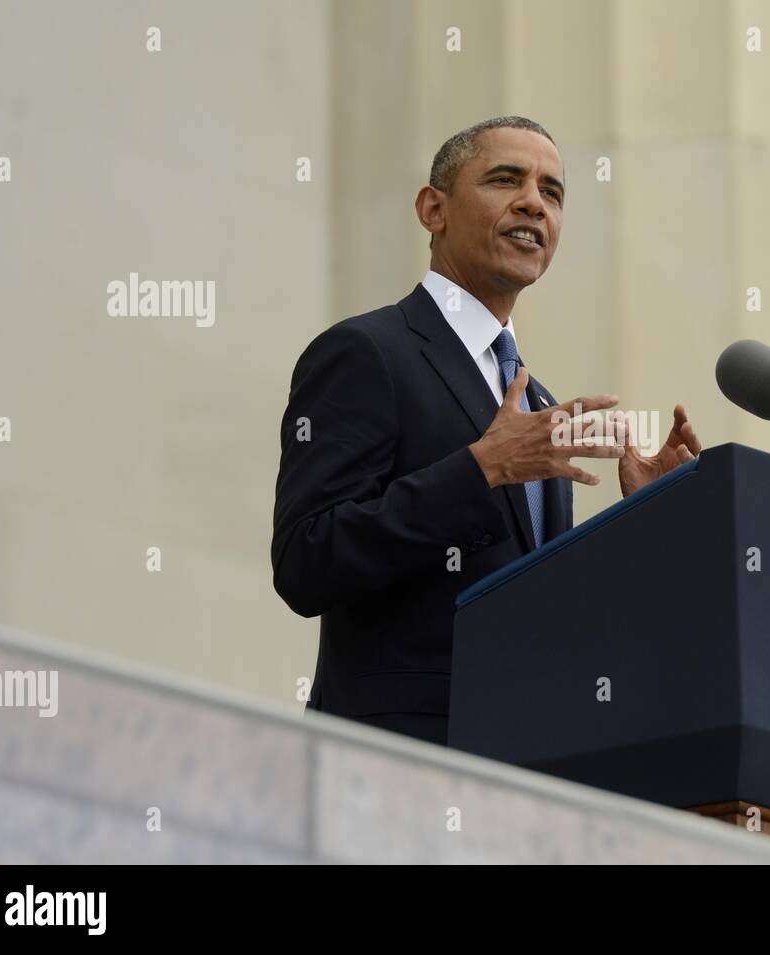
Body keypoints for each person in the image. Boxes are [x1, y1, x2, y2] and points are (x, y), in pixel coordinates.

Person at [271, 116, 701, 745]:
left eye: (552, 193)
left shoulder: (535, 404)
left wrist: (644, 523)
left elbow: (549, 613)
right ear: (433, 209)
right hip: (393, 760)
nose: (534, 202)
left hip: (523, 770)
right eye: (506, 180)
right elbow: (305, 561)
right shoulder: (368, 352)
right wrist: (481, 469)